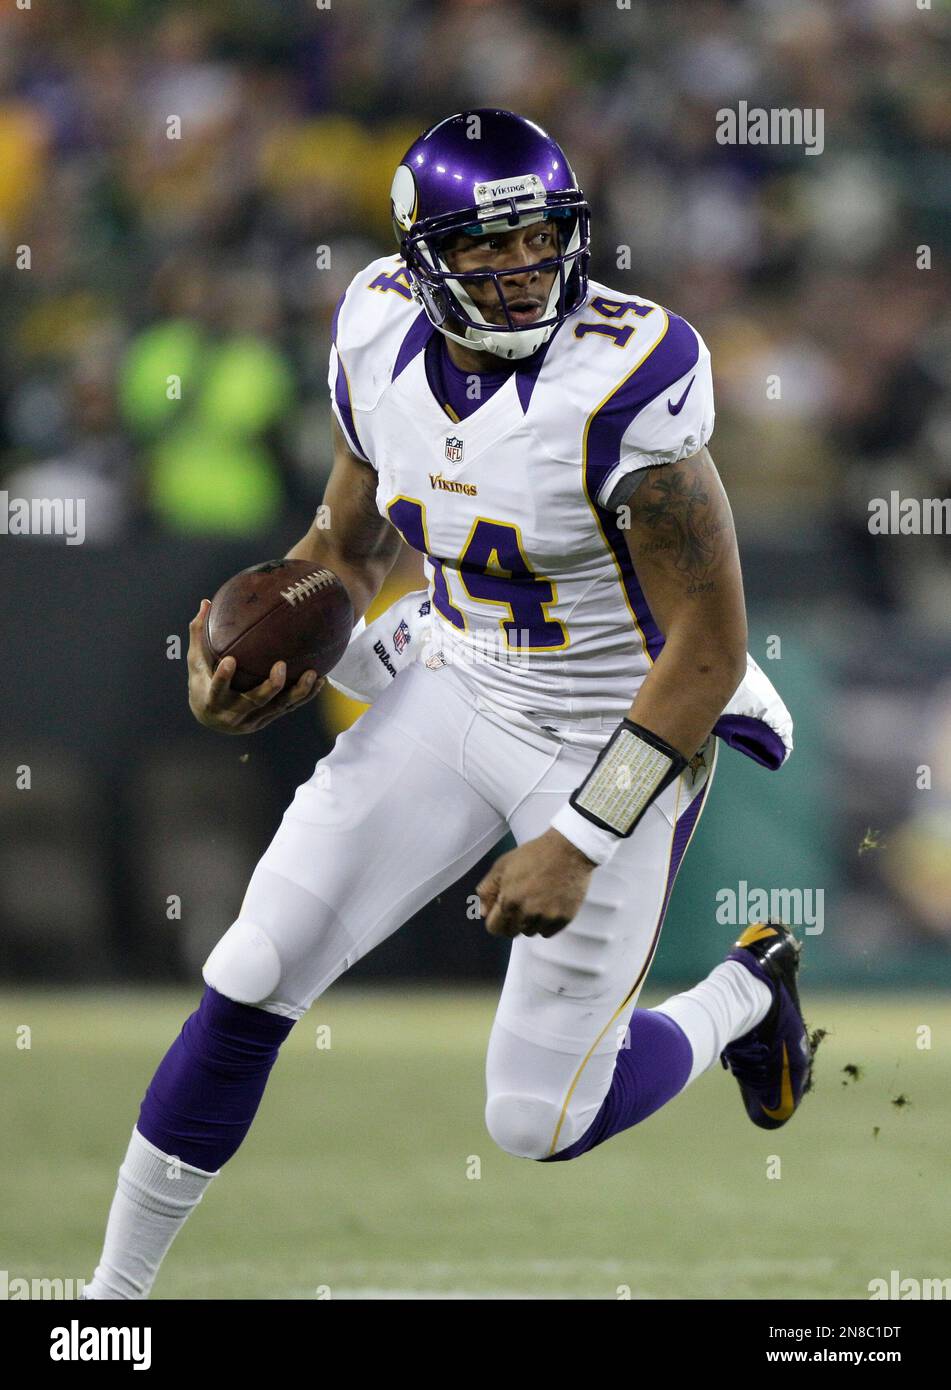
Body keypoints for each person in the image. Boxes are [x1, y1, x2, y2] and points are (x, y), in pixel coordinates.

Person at [83, 109, 812, 1300]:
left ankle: (742, 995)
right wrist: (288, 637)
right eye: (486, 248)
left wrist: (579, 836)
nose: (523, 272)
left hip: (615, 726)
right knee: (256, 962)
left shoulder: (628, 378)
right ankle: (110, 1307)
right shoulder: (373, 327)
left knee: (538, 1119)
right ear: (424, 258)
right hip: (460, 678)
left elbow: (711, 652)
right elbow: (349, 540)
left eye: (540, 241)